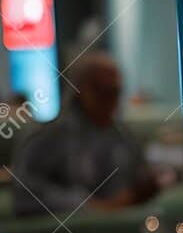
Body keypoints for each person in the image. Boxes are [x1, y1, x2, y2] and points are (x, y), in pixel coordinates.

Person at [12, 51, 158, 215]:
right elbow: (24, 195)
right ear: (81, 90)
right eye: (104, 92)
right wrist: (91, 206)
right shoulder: (50, 137)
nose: (111, 102)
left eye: (116, 93)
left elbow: (138, 181)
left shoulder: (123, 137)